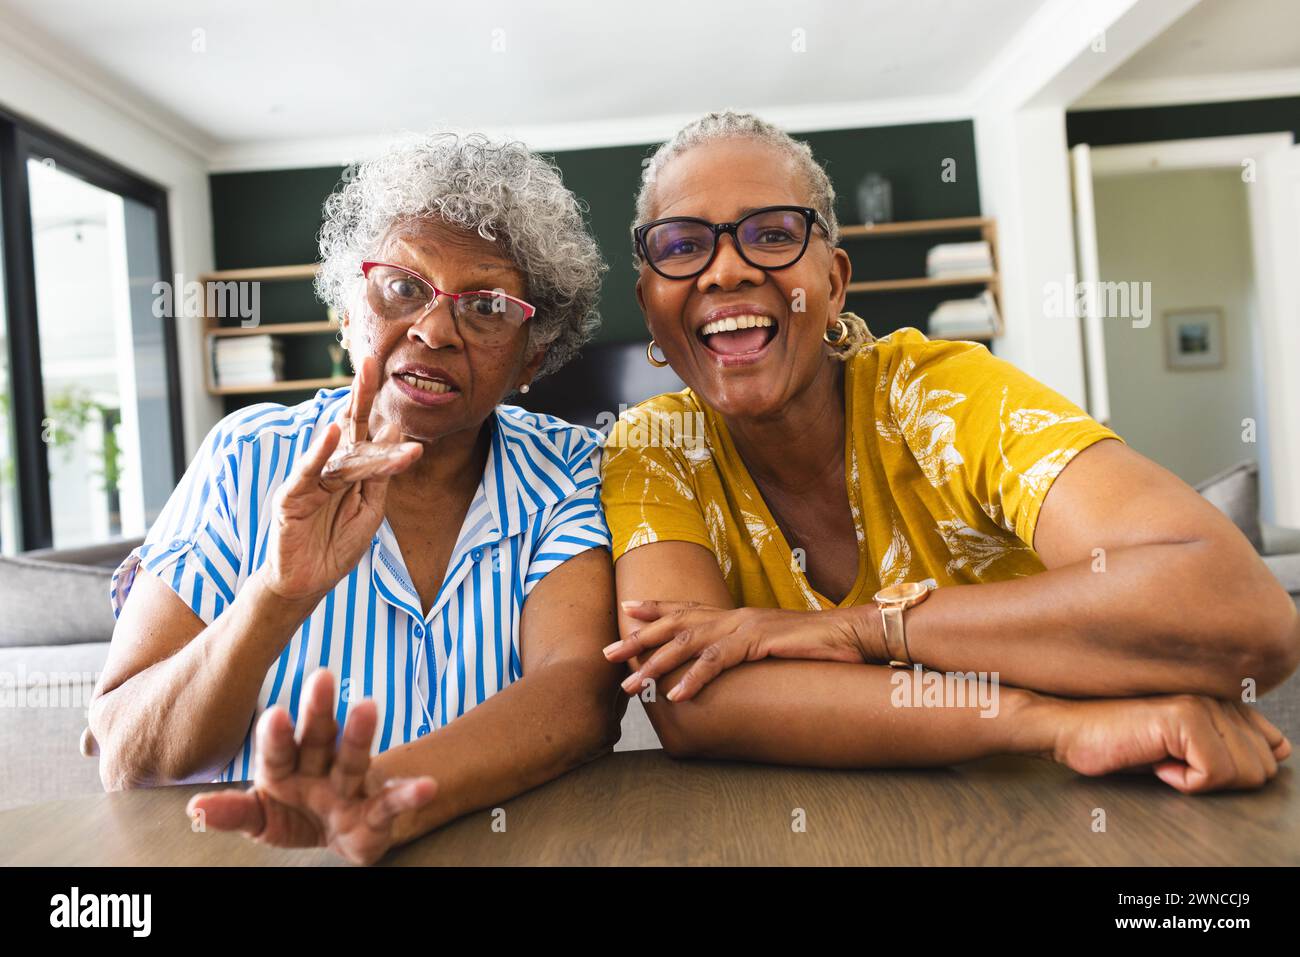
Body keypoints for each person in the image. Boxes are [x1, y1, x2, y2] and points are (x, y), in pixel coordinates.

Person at [600, 111, 1298, 793]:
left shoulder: (941, 396)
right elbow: (691, 700)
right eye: (683, 246)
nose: (726, 271)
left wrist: (858, 630)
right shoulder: (655, 448)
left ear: (836, 282)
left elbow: (1244, 616)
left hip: (1064, 811)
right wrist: (1048, 721)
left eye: (773, 234)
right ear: (651, 302)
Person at [89, 132, 625, 864]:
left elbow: (581, 696)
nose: (435, 329)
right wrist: (275, 595)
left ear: (533, 355)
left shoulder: (567, 467)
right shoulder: (247, 457)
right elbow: (127, 752)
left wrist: (373, 798)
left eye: (487, 307)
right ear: (348, 313)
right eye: (403, 288)